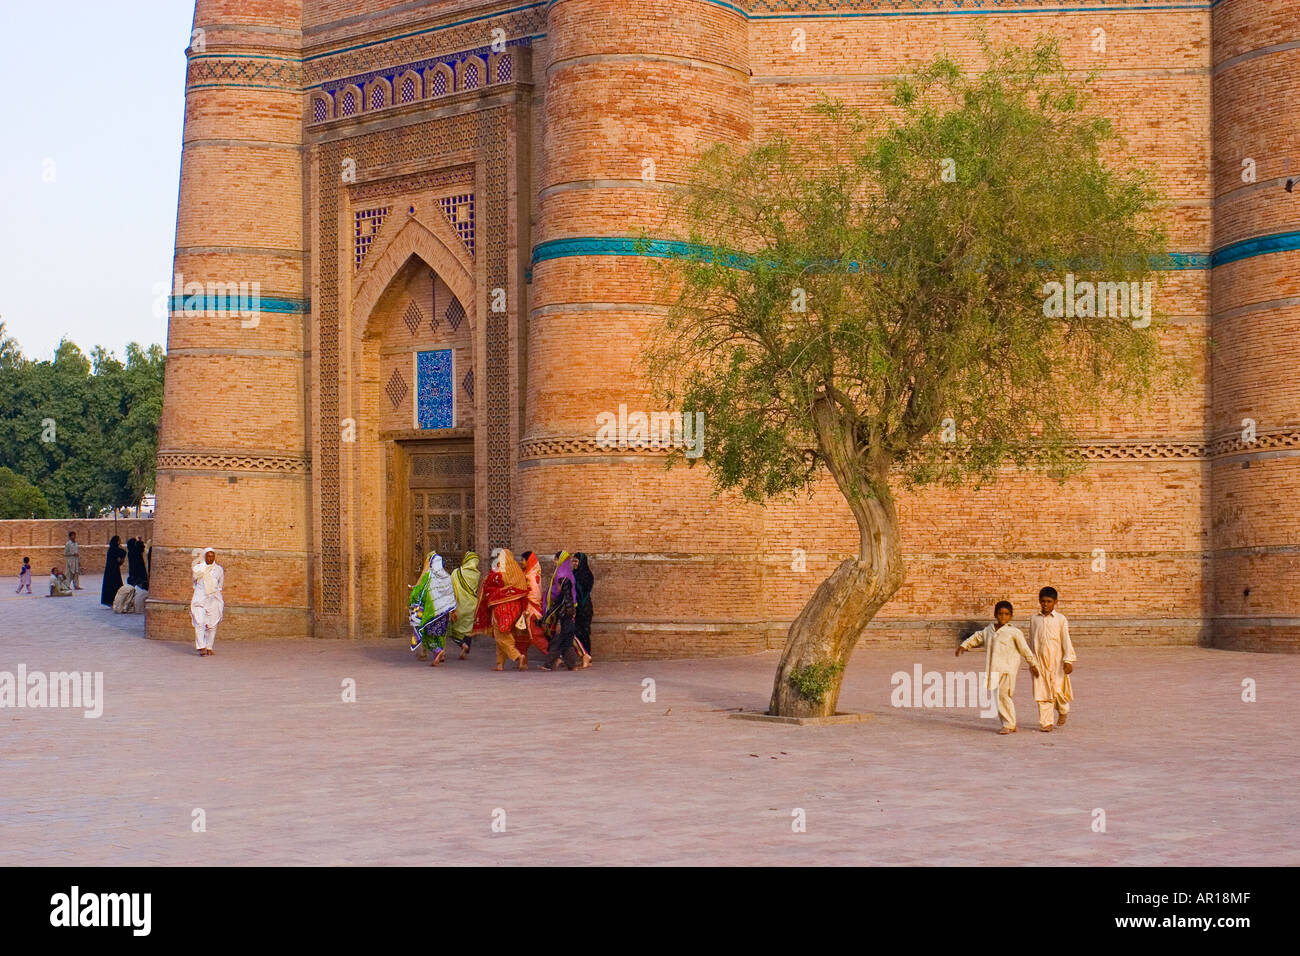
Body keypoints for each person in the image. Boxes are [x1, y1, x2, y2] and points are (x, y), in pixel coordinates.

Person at [956, 600, 1039, 734]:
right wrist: (964, 645)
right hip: (994, 670)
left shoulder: (1014, 632)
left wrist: (1033, 663)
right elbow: (977, 637)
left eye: (1006, 614)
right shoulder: (989, 630)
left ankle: (1009, 724)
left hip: (1008, 670)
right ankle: (1010, 722)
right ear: (995, 614)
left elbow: (1025, 649)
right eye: (1000, 614)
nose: (1003, 617)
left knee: (1004, 695)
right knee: (999, 697)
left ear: (1011, 616)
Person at [473, 548, 530, 671]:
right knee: (503, 633)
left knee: (500, 635)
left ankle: (517, 656)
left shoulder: (499, 573)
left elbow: (488, 582)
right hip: (515, 609)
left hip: (501, 608)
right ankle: (500, 664)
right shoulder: (517, 571)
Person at [1029, 586, 1077, 732]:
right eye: (1043, 601)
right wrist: (1031, 662)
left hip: (1057, 662)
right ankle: (1046, 722)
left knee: (1057, 690)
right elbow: (1031, 641)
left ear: (1055, 602)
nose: (1045, 604)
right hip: (1039, 662)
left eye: (1049, 601)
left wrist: (1068, 660)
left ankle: (1063, 709)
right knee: (1042, 692)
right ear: (1039, 601)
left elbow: (1065, 640)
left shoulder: (1061, 619)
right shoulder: (1034, 619)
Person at [408, 551, 457, 666]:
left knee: (425, 634)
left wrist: (413, 592)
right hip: (444, 613)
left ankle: (437, 651)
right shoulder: (447, 577)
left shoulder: (428, 577)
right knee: (440, 635)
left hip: (431, 612)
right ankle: (439, 656)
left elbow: (420, 591)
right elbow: (451, 594)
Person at [541, 557, 579, 671]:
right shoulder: (567, 598)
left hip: (564, 624)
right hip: (569, 624)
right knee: (567, 645)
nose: (556, 587)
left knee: (556, 644)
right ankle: (573, 665)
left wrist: (558, 623)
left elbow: (561, 610)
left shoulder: (564, 599)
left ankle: (548, 665)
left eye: (558, 584)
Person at [447, 551, 481, 659]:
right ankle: (465, 652)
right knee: (468, 630)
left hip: (460, 605)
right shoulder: (477, 574)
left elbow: (451, 588)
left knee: (453, 630)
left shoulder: (456, 572)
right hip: (472, 605)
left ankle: (462, 645)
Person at [516, 551, 549, 662]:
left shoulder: (531, 576)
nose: (521, 562)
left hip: (531, 610)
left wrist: (526, 605)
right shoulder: (530, 573)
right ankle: (523, 660)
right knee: (522, 636)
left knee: (535, 635)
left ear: (528, 561)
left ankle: (553, 657)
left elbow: (534, 594)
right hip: (528, 608)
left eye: (523, 560)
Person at [191, 547, 224, 657]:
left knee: (212, 625)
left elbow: (220, 585)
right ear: (205, 556)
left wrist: (214, 593)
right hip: (200, 598)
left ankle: (209, 646)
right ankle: (201, 647)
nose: (210, 558)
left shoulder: (218, 569)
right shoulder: (198, 568)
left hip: (213, 598)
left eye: (212, 556)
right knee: (199, 622)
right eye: (208, 556)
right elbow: (194, 583)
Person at [573, 552, 594, 667]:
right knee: (577, 634)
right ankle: (583, 656)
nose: (574, 564)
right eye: (573, 561)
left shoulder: (587, 575)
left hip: (585, 608)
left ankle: (588, 657)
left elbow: (584, 592)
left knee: (584, 633)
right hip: (577, 608)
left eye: (576, 561)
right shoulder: (574, 573)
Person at [100, 536, 126, 607]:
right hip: (113, 571)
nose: (119, 542)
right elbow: (123, 552)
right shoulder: (114, 549)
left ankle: (112, 601)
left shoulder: (111, 549)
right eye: (119, 541)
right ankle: (113, 601)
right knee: (114, 585)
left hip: (111, 570)